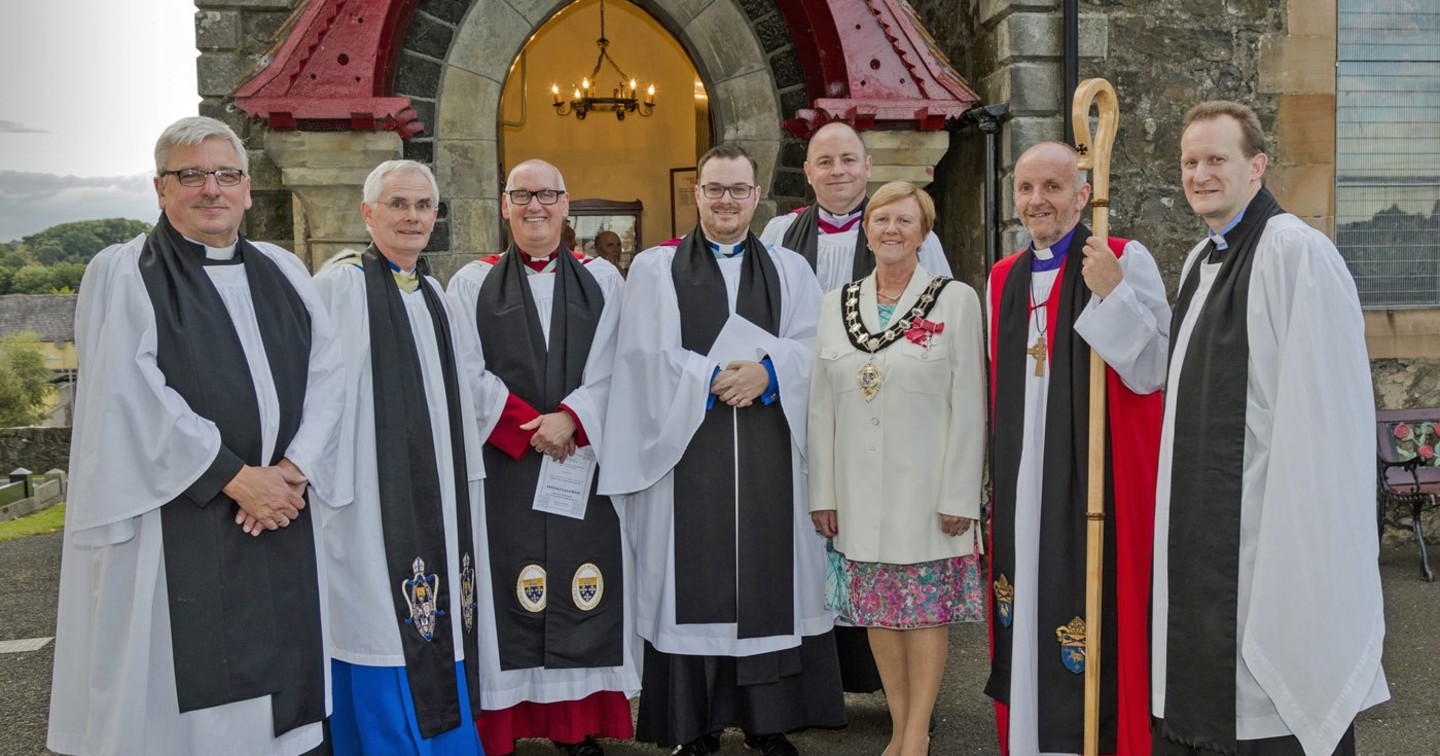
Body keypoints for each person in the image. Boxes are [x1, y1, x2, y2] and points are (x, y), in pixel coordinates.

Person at [48, 116, 347, 756]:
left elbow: (331, 375)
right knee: (182, 698)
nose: (211, 189)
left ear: (245, 188)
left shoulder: (285, 269)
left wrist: (293, 472)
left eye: (226, 174)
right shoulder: (125, 271)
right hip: (178, 514)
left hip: (282, 510)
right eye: (192, 175)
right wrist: (238, 478)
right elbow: (128, 395)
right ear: (161, 188)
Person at [1152, 101, 1388, 756]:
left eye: (1216, 159)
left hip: (1265, 543)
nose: (1200, 173)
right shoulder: (1200, 260)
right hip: (1203, 538)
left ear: (1256, 166)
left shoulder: (1297, 255)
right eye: (1190, 162)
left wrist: (1300, 555)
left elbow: (1324, 420)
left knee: (1266, 709)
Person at [599, 143, 844, 756]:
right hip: (687, 458)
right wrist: (707, 379)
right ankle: (695, 727)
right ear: (698, 194)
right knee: (689, 592)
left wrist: (769, 371)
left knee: (772, 586)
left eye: (738, 189)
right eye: (715, 189)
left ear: (757, 196)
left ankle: (768, 724)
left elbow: (816, 349)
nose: (726, 201)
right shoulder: (656, 268)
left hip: (771, 456)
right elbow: (641, 355)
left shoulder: (791, 270)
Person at [983, 141, 1169, 756]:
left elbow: (1153, 372)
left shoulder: (1121, 257)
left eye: (1053, 187)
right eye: (1026, 188)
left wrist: (1111, 293)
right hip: (1020, 476)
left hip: (1090, 484)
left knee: (1084, 604)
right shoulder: (1003, 277)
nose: (1038, 200)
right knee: (1022, 603)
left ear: (1082, 195)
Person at [446, 159, 636, 756]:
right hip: (506, 463)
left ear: (566, 203)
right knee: (509, 586)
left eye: (547, 195)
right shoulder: (469, 285)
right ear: (504, 204)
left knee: (587, 582)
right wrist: (529, 427)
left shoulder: (604, 280)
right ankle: (506, 724)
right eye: (522, 195)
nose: (535, 206)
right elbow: (464, 372)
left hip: (583, 457)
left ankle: (574, 727)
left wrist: (573, 419)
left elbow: (620, 366)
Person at [311, 159, 488, 755]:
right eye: (397, 204)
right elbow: (313, 395)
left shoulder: (436, 293)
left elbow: (462, 396)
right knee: (383, 630)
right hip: (369, 504)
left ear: (436, 217)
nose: (411, 217)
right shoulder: (339, 287)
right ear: (368, 213)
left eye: (422, 206)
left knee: (442, 626)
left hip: (438, 498)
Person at [808, 181, 987, 756]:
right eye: (881, 219)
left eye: (905, 221)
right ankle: (897, 724)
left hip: (928, 492)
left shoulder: (954, 299)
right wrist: (823, 493)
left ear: (923, 233)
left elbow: (971, 404)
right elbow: (821, 407)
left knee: (925, 612)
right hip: (859, 494)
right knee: (881, 615)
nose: (891, 229)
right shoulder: (836, 305)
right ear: (866, 229)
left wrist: (961, 493)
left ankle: (916, 734)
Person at [760, 120, 951, 295]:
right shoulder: (780, 234)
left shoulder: (909, 236)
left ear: (867, 166)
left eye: (848, 160)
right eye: (825, 162)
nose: (837, 171)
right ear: (809, 172)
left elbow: (941, 305)